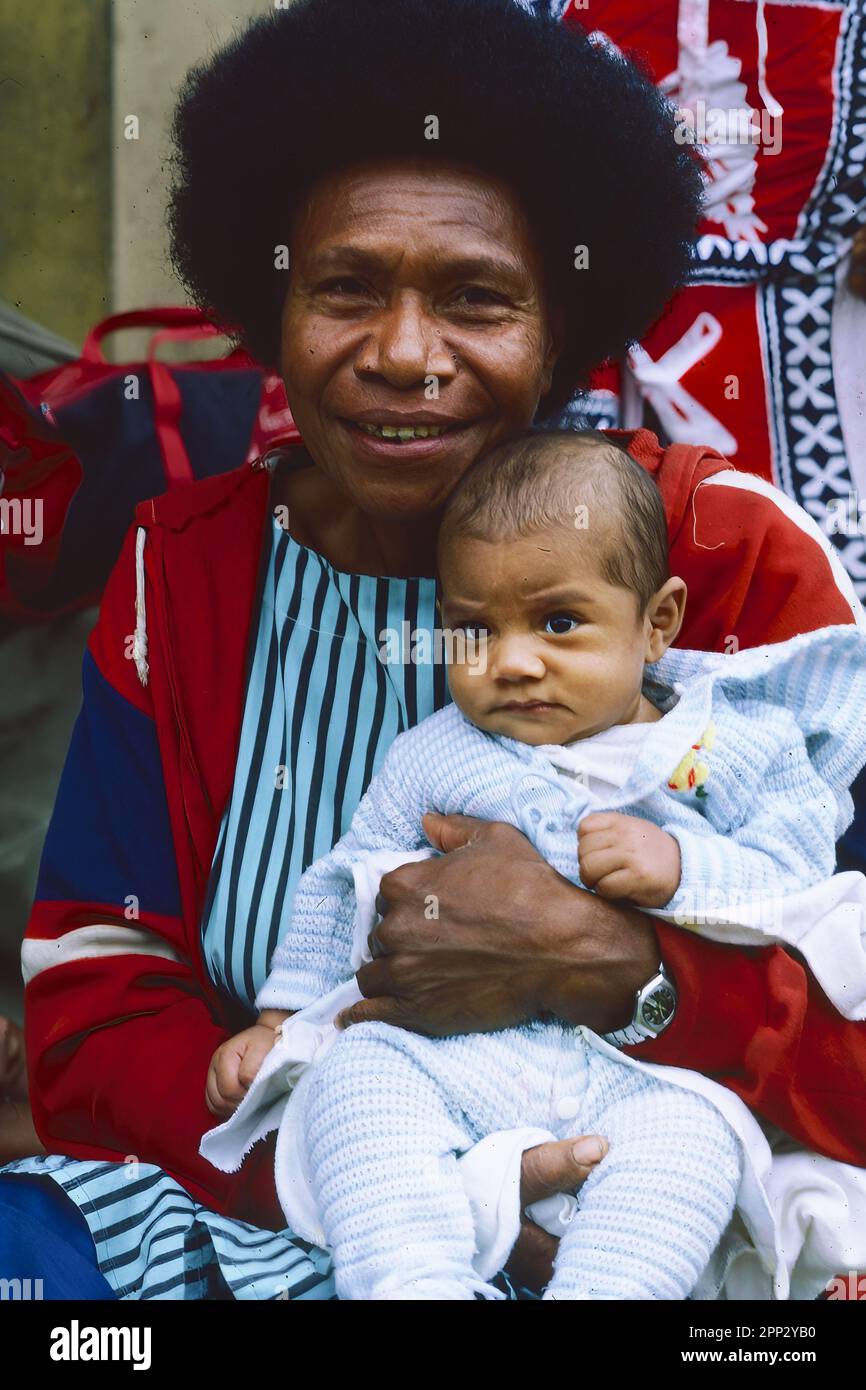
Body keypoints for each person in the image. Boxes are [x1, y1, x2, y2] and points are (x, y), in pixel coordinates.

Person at [3, 0, 866, 1301]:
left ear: (562, 329)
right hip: (298, 1201)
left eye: (475, 299)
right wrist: (379, 1172)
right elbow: (101, 991)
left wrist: (622, 968)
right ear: (271, 305)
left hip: (664, 1231)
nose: (404, 354)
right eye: (345, 287)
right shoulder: (184, 566)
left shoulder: (721, 556)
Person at [203, 429, 866, 1300]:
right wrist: (282, 1019)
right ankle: (411, 1281)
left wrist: (683, 869)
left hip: (648, 1080)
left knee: (700, 1146)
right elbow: (344, 878)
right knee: (356, 1083)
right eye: (474, 630)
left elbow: (798, 877)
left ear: (657, 622)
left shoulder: (728, 746)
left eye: (560, 622)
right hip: (466, 1060)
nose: (513, 663)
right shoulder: (433, 755)